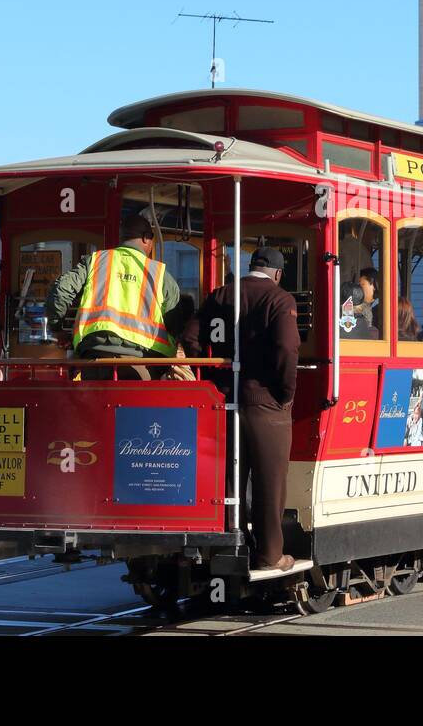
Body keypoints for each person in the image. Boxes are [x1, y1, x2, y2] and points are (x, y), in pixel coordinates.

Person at [181, 246, 300, 571]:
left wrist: (212, 377)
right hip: (265, 402)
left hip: (223, 398)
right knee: (269, 480)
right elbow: (287, 348)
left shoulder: (219, 296)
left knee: (230, 478)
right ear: (276, 273)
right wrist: (284, 392)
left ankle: (230, 546)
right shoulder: (280, 300)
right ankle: (270, 555)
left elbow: (191, 338)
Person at [46, 213, 191, 380]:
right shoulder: (161, 274)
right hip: (142, 366)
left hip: (94, 361)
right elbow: (176, 324)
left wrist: (58, 330)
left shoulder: (95, 261)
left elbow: (60, 290)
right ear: (146, 239)